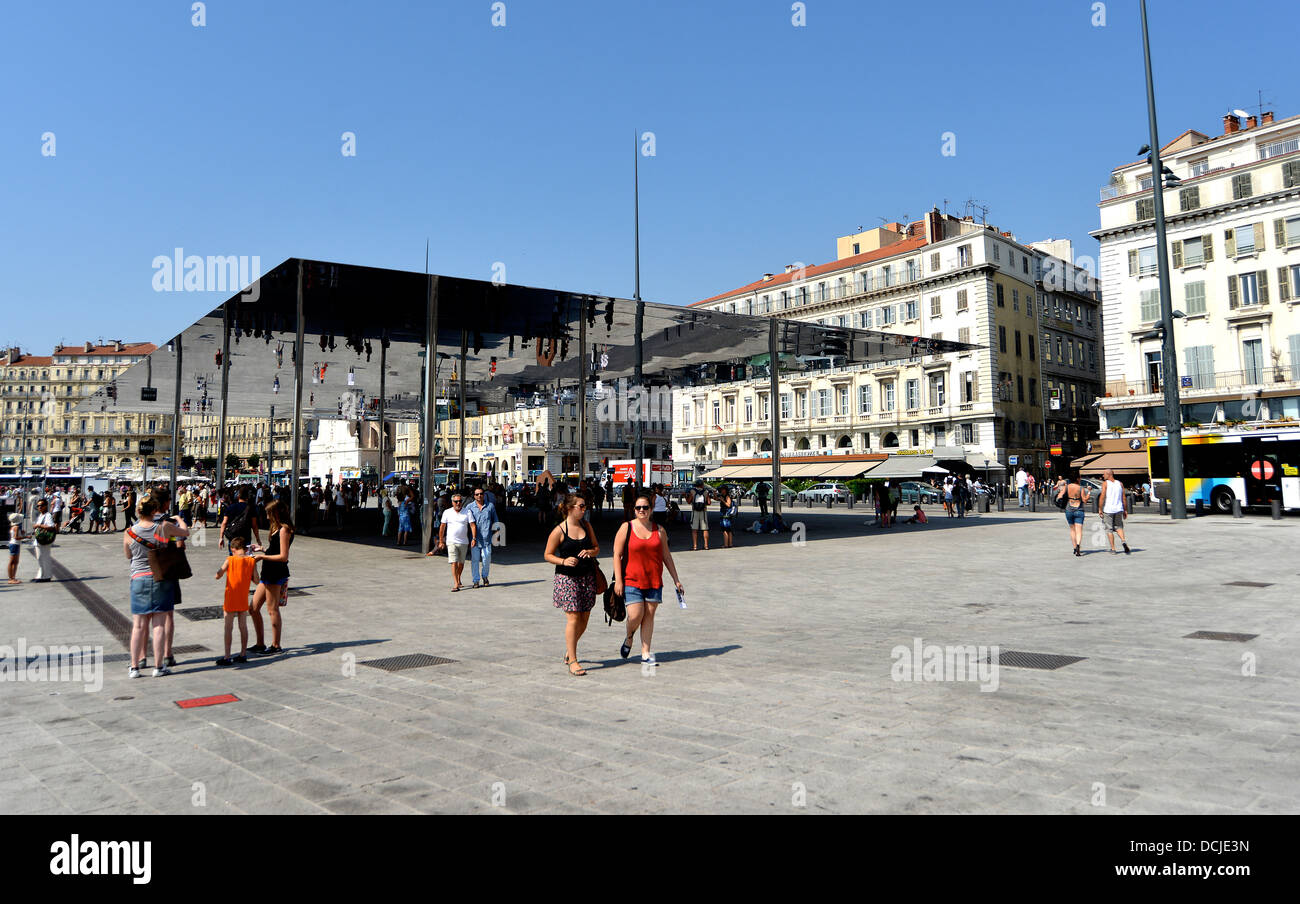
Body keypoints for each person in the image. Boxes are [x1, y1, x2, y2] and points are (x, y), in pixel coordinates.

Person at [612, 494, 684, 668]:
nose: (642, 510)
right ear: (634, 510)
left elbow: (666, 556)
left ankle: (645, 652)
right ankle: (629, 637)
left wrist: (676, 579)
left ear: (651, 510)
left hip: (653, 580)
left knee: (649, 616)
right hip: (631, 579)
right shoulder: (626, 528)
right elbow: (617, 554)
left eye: (645, 507)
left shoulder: (659, 530)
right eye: (638, 508)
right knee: (636, 615)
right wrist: (618, 581)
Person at [124, 490, 190, 677]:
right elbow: (185, 533)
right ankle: (158, 666)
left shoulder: (129, 532)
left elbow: (128, 555)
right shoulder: (164, 527)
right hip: (160, 578)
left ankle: (135, 666)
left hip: (138, 579)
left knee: (138, 625)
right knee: (159, 624)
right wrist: (180, 518)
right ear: (154, 510)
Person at [544, 494, 600, 676]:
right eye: (581, 506)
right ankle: (573, 661)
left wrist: (590, 552)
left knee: (584, 619)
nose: (584, 509)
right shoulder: (559, 530)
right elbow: (547, 554)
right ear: (570, 508)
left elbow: (597, 547)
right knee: (574, 618)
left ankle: (570, 650)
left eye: (585, 506)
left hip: (587, 577)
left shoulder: (587, 526)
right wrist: (563, 561)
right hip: (567, 579)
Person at [250, 500, 294, 655]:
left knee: (272, 609)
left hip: (276, 573)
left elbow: (283, 556)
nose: (267, 517)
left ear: (276, 513)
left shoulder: (284, 530)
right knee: (253, 608)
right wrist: (263, 549)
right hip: (268, 572)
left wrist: (262, 557)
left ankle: (276, 645)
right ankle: (260, 643)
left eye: (269, 513)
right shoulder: (277, 529)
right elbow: (275, 549)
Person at [214, 536, 257, 666]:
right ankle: (243, 654)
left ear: (233, 549)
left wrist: (221, 572)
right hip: (243, 598)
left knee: (228, 628)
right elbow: (256, 580)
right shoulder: (251, 561)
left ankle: (227, 656)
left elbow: (217, 575)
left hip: (231, 598)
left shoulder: (230, 559)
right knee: (243, 626)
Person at [434, 492, 476, 590]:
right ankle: (456, 583)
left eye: (460, 501)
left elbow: (472, 525)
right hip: (451, 541)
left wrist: (473, 538)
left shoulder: (467, 512)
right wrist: (441, 540)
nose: (458, 503)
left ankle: (458, 577)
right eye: (456, 501)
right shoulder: (447, 512)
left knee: (461, 563)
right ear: (452, 502)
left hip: (464, 542)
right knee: (454, 562)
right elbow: (442, 527)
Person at [465, 487, 497, 588]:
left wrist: (497, 533)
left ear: (484, 495)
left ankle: (485, 576)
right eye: (477, 494)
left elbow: (495, 519)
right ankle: (476, 580)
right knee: (475, 560)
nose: (479, 496)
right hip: (474, 539)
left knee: (486, 559)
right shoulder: (469, 507)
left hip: (487, 538)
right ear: (474, 496)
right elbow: (465, 522)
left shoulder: (490, 506)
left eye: (481, 494)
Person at [1098, 468, 1132, 555]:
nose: (1103, 475)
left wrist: (1100, 509)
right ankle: (1123, 541)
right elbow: (1123, 498)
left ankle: (1113, 549)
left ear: (1109, 474)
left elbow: (1102, 496)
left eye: (1104, 474)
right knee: (1119, 527)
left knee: (1109, 529)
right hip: (1119, 509)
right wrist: (1125, 510)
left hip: (1108, 509)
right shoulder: (1120, 483)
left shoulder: (1105, 484)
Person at [1056, 475, 1091, 557]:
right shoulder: (1080, 488)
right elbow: (1085, 500)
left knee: (1072, 529)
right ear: (1077, 479)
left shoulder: (1067, 487)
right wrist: (1089, 492)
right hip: (1079, 509)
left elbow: (1060, 496)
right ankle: (1078, 545)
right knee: (1079, 530)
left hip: (1069, 510)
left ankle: (1075, 547)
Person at [29, 498, 58, 582]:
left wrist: (39, 525)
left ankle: (45, 576)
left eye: (41, 505)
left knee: (43, 558)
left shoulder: (48, 515)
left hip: (44, 539)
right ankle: (41, 575)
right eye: (38, 506)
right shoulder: (41, 515)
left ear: (46, 506)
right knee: (41, 558)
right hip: (39, 539)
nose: (39, 507)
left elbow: (51, 526)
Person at [687, 481, 711, 550]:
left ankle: (695, 546)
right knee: (705, 529)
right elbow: (709, 502)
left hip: (695, 512)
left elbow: (689, 501)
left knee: (694, 529)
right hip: (703, 512)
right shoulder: (706, 492)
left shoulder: (692, 491)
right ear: (702, 485)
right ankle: (706, 545)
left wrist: (686, 496)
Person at [8, 512, 25, 584]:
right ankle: (11, 578)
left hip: (14, 544)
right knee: (13, 562)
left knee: (15, 562)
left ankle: (13, 577)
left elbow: (14, 536)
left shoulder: (13, 527)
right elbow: (16, 537)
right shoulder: (17, 527)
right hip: (15, 544)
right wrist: (26, 537)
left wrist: (22, 533)